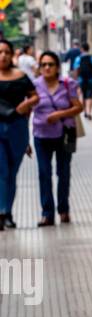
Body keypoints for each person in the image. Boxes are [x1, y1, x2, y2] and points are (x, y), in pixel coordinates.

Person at [31, 51, 83, 227]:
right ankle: (47, 214)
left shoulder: (68, 84)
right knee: (44, 173)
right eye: (43, 64)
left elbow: (78, 107)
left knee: (64, 172)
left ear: (57, 67)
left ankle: (63, 210)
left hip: (65, 134)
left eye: (50, 64)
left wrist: (60, 113)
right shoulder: (34, 85)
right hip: (41, 136)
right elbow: (27, 110)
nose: (47, 68)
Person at [0, 38, 38, 229]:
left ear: (12, 54)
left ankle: (8, 212)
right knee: (2, 172)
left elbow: (35, 96)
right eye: (0, 52)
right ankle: (1, 212)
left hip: (17, 128)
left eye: (7, 52)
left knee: (12, 173)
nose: (3, 56)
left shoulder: (20, 76)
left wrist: (27, 104)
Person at [72, 41, 92, 119]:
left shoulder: (78, 59)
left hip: (81, 80)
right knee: (90, 96)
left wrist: (75, 80)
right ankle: (89, 112)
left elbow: (76, 70)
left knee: (83, 96)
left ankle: (84, 111)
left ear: (82, 49)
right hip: (91, 80)